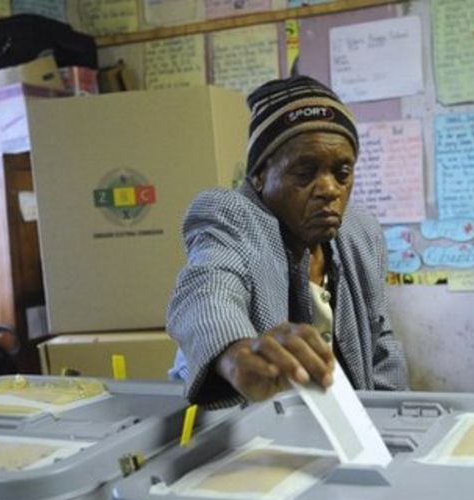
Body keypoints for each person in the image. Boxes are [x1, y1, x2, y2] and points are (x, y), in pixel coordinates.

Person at [167, 75, 408, 407]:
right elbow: (207, 290)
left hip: (346, 425)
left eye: (342, 173)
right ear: (260, 176)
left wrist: (397, 419)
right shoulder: (231, 215)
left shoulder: (361, 232)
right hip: (246, 427)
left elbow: (380, 341)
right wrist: (236, 353)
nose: (329, 189)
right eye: (304, 172)